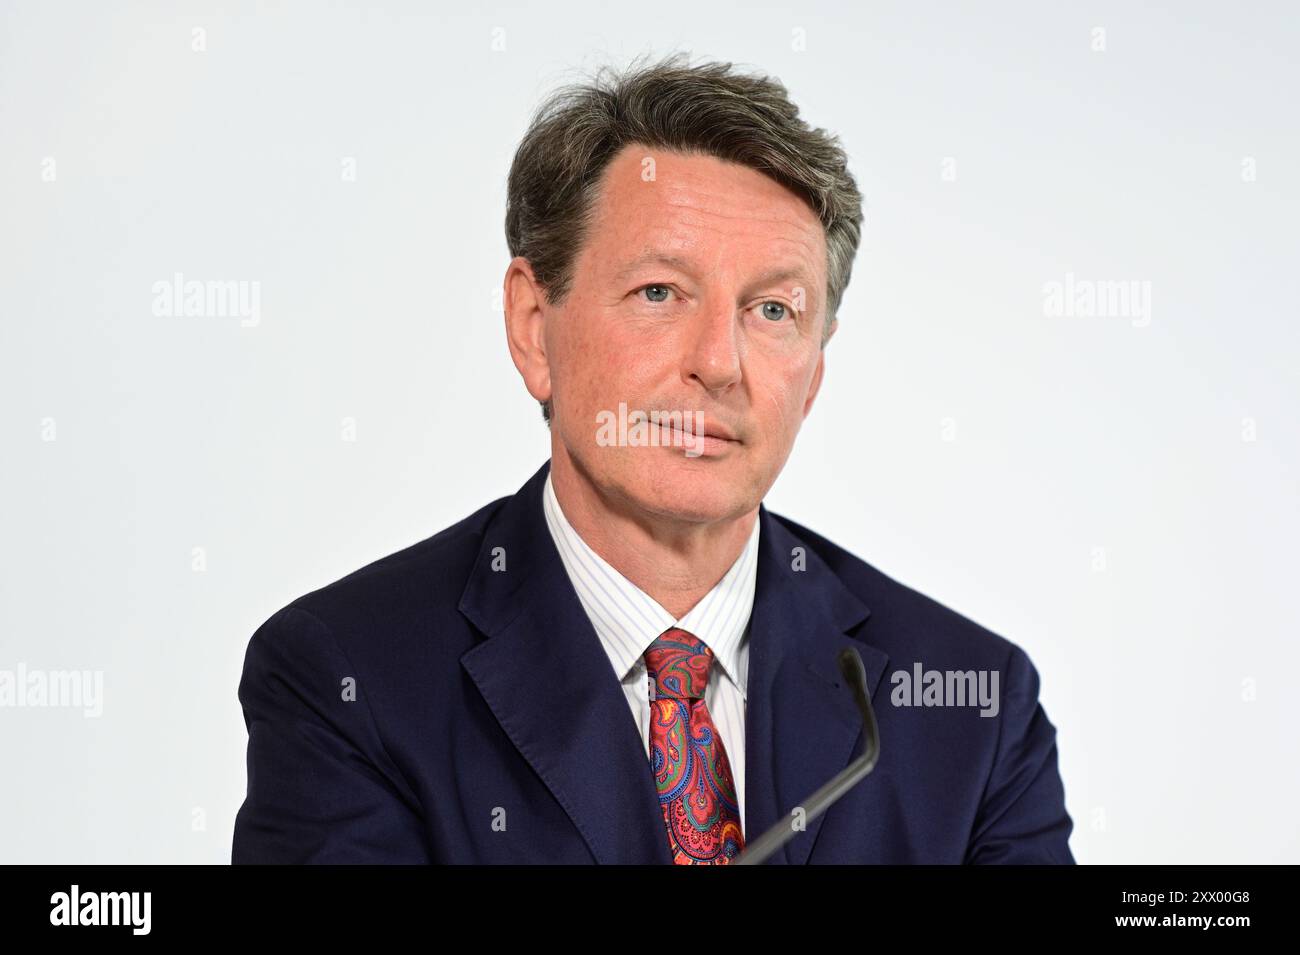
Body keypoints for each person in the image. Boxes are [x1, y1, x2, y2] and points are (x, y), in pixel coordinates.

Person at [232, 53, 1074, 864]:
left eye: (774, 310)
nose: (721, 361)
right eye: (661, 293)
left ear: (814, 370)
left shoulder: (972, 700)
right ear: (534, 327)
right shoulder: (349, 677)